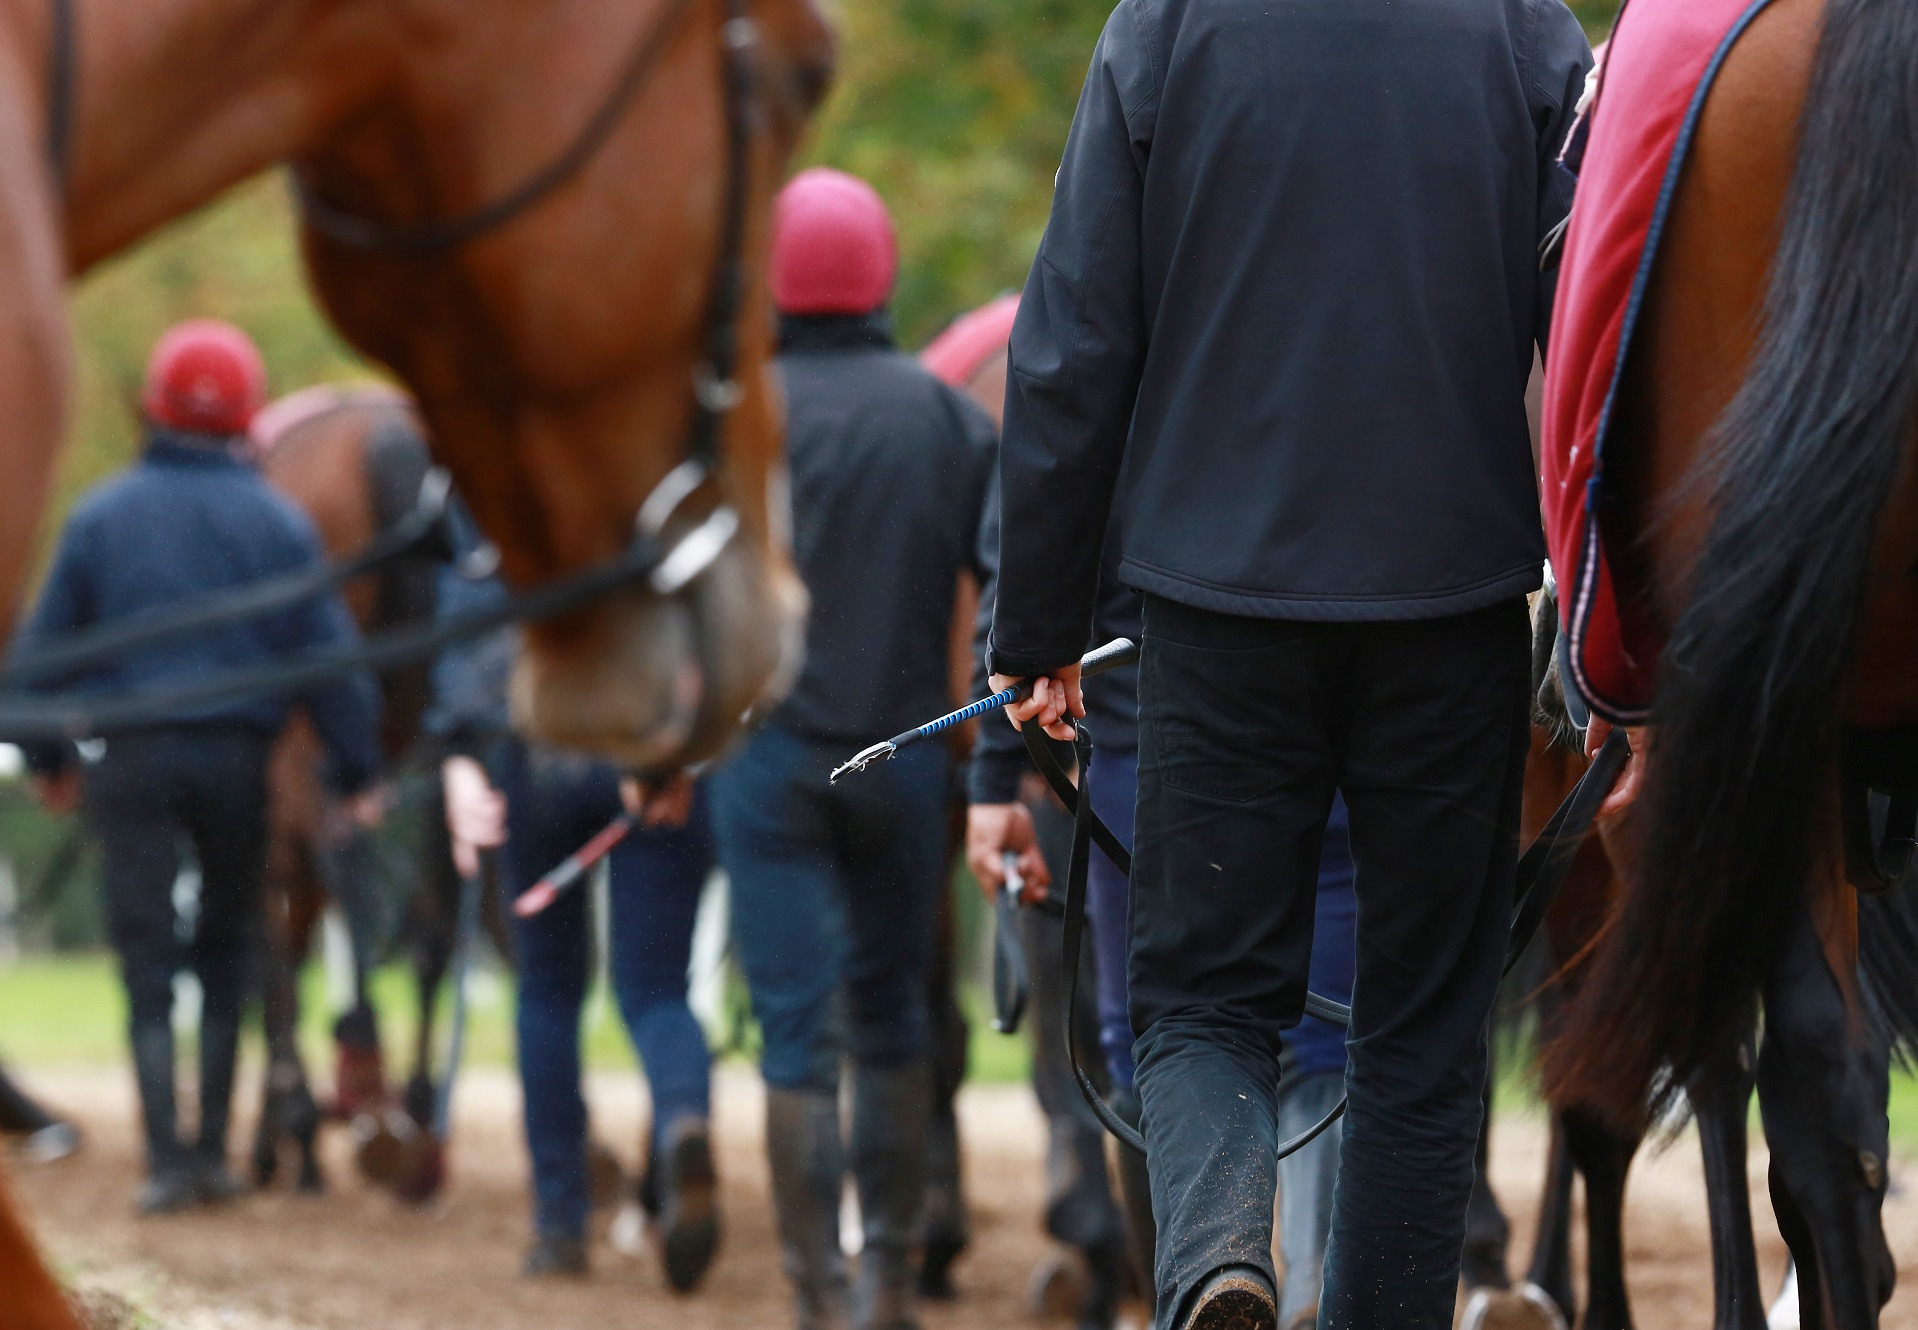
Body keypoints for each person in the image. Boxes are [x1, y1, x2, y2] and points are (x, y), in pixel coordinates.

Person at [983, 1, 1593, 1325]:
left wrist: (1032, 628)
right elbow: (1600, 320)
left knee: (1200, 999)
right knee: (1420, 1039)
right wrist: (1618, 625)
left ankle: (1217, 1261)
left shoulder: (1167, 23)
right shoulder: (1517, 28)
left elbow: (1071, 342)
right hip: (1452, 602)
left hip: (1216, 607)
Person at [709, 166, 995, 1330]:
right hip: (905, 758)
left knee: (793, 1026)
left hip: (765, 756)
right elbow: (1003, 583)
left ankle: (814, 1291)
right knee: (892, 1016)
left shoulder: (736, 411)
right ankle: (886, 1273)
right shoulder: (943, 415)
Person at [12, 320, 381, 1215]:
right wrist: (360, 769)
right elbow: (330, 663)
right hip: (234, 760)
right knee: (227, 946)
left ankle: (164, 1160)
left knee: (147, 959)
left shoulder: (102, 514)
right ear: (246, 420)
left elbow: (39, 658)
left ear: (155, 410)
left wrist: (49, 757)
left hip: (130, 760)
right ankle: (212, 1154)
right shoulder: (280, 522)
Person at [428, 504, 719, 1288]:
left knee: (549, 990)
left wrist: (461, 752)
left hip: (538, 747)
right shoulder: (653, 444)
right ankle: (682, 1132)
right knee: (658, 990)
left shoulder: (511, 457)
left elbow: (469, 600)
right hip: (654, 745)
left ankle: (559, 1226)